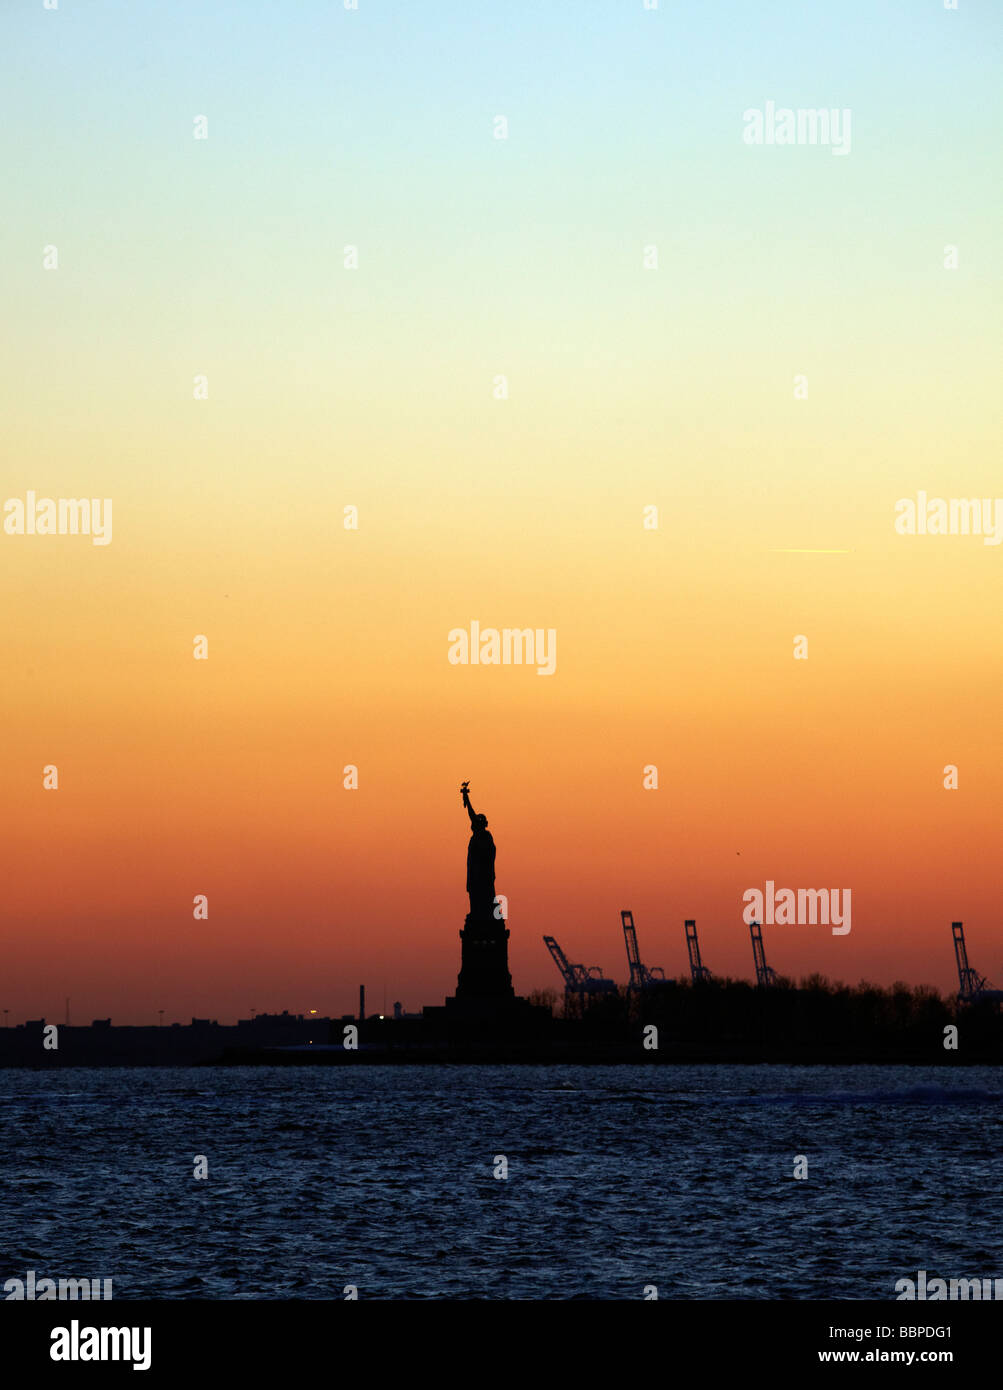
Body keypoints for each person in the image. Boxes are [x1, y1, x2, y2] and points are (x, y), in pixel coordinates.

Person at [461, 783, 496, 918]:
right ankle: (476, 912)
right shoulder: (476, 837)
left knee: (485, 895)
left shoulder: (485, 836)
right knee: (475, 895)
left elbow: (472, 815)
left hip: (483, 874)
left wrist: (466, 798)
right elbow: (472, 815)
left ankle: (483, 914)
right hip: (475, 873)